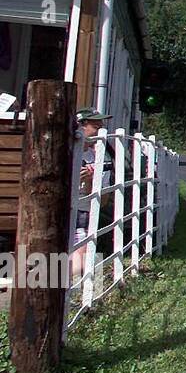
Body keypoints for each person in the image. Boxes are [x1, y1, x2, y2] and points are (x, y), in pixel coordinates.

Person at [73, 108, 111, 284]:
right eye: (96, 127)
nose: (100, 132)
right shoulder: (64, 151)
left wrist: (89, 182)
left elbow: (103, 202)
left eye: (102, 127)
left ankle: (90, 297)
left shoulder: (101, 159)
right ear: (81, 126)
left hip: (84, 215)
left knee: (81, 264)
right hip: (61, 212)